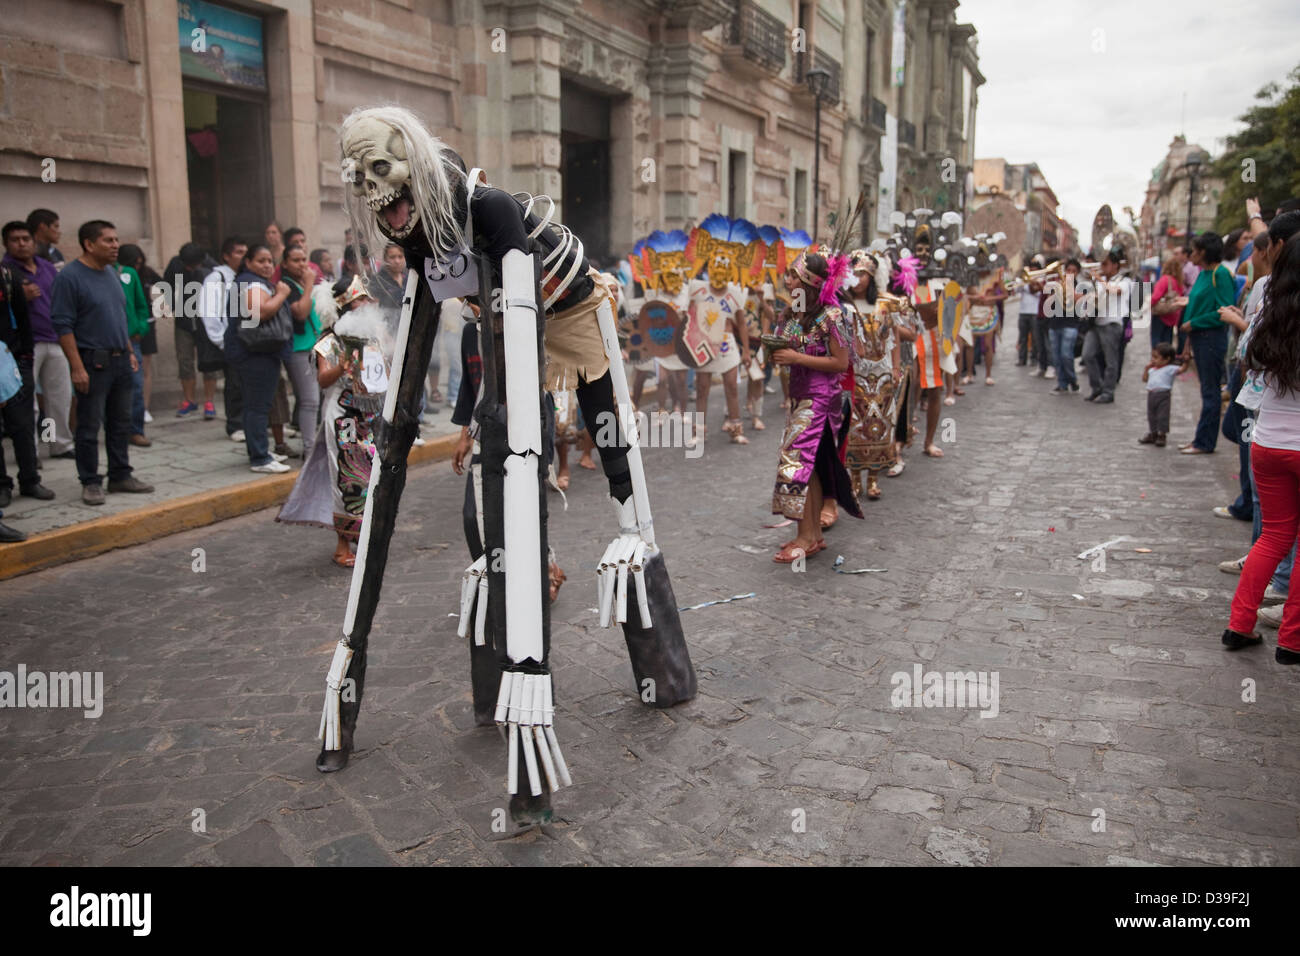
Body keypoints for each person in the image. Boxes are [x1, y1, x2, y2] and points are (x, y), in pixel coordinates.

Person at [1221, 232, 1300, 663]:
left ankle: (1239, 624)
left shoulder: (1269, 313)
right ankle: (1292, 639)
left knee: (1273, 536)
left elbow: (1246, 359)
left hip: (1268, 441)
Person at [278, 277, 385, 566]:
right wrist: (341, 367)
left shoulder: (371, 337)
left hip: (369, 417)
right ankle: (342, 547)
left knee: (371, 480)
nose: (365, 304)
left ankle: (361, 541)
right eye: (358, 300)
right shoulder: (330, 341)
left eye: (365, 298)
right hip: (344, 420)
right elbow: (323, 379)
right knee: (348, 481)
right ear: (343, 307)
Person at [50, 220, 154, 504]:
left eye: (116, 239)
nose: (115, 245)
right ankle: (90, 481)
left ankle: (120, 475)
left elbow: (118, 317)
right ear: (89, 244)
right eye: (108, 240)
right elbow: (63, 325)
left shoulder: (111, 274)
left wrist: (129, 351)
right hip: (91, 363)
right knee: (88, 426)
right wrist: (77, 367)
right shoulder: (70, 277)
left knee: (120, 423)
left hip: (121, 360)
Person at [769, 251, 863, 561]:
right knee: (812, 467)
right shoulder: (798, 313)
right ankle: (812, 535)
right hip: (799, 399)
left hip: (821, 400)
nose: (788, 280)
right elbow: (789, 344)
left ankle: (806, 536)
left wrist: (795, 358)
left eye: (794, 276)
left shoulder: (832, 316)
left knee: (798, 465)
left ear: (810, 282)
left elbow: (840, 362)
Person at [2, 221, 72, 459]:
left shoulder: (47, 267)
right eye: (15, 239)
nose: (21, 244)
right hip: (23, 346)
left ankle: (58, 444)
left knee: (58, 398)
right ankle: (29, 452)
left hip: (54, 339)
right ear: (6, 244)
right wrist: (19, 296)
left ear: (34, 241)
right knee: (27, 404)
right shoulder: (5, 272)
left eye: (26, 239)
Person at [227, 243, 293, 474]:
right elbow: (260, 312)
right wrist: (282, 294)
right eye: (261, 261)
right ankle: (260, 458)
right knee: (258, 406)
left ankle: (259, 450)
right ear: (248, 263)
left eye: (269, 261)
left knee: (255, 406)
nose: (267, 265)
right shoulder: (252, 283)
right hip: (256, 353)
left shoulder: (249, 281)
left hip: (255, 352)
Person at [0, 255, 54, 505]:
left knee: (22, 424)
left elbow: (22, 319)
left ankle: (30, 479)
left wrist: (26, 358)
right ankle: (2, 485)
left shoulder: (7, 277)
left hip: (13, 361)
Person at [1177, 232, 1235, 454]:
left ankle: (1205, 441)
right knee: (1207, 390)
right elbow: (1198, 302)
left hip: (1211, 337)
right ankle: (1201, 438)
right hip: (1199, 337)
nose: (1192, 253)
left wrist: (1194, 323)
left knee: (1210, 392)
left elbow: (1225, 310)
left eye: (1195, 250)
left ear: (1204, 252)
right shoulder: (1204, 274)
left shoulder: (1220, 274)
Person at [200, 236, 248, 442]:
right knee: (234, 383)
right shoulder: (216, 278)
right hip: (231, 340)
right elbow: (209, 311)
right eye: (238, 252)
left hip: (250, 339)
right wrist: (221, 340)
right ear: (226, 256)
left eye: (246, 252)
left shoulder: (246, 276)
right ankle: (235, 424)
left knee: (248, 383)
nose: (243, 257)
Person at [167, 241, 218, 418]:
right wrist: (171, 306)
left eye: (193, 265)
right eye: (187, 265)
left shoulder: (212, 267)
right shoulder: (175, 264)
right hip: (184, 321)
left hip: (206, 321)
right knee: (185, 361)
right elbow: (167, 287)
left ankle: (209, 401)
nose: (190, 268)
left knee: (209, 361)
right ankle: (189, 400)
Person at [281, 245, 321, 461]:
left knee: (316, 400)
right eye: (295, 260)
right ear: (285, 264)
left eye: (304, 259)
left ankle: (314, 445)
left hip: (313, 348)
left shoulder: (299, 283)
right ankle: (309, 448)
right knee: (309, 401)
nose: (302, 264)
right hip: (298, 349)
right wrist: (308, 285)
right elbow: (300, 312)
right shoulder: (286, 285)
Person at [117, 245, 161, 425]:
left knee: (145, 368)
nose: (137, 267)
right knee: (130, 370)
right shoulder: (120, 275)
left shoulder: (148, 274)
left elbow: (166, 288)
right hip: (127, 329)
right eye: (134, 264)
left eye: (139, 264)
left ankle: (144, 407)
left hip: (145, 325)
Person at [114, 245, 153, 447]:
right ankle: (114, 431)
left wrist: (141, 326)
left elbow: (140, 304)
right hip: (105, 341)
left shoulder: (128, 274)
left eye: (115, 241)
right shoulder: (92, 274)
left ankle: (136, 431)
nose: (112, 245)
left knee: (136, 386)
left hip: (132, 340)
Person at [1082, 250, 1131, 404]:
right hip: (1096, 322)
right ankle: (1097, 387)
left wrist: (1097, 279)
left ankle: (1108, 392)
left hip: (1112, 324)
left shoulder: (1124, 281)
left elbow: (1114, 291)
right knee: (1087, 355)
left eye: (1105, 264)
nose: (1102, 267)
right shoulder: (1100, 280)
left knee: (1111, 361)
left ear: (1115, 265)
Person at [1047, 259, 1085, 393]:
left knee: (1066, 355)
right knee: (1056, 357)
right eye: (1068, 271)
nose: (1070, 273)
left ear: (1078, 273)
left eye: (1073, 271)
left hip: (1070, 324)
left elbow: (1080, 304)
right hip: (1055, 324)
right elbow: (1049, 306)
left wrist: (1069, 291)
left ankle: (1072, 380)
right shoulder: (1058, 285)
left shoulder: (1081, 287)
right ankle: (1062, 384)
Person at [1138, 343, 1178, 447]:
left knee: (1162, 416)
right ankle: (1153, 433)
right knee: (1152, 415)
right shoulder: (1152, 369)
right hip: (1151, 395)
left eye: (1156, 357)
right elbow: (1144, 379)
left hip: (1163, 395)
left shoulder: (1170, 368)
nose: (1153, 360)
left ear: (1166, 359)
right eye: (1152, 357)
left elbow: (1182, 369)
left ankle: (1162, 434)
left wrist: (1186, 362)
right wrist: (1146, 369)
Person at [1148, 256, 1186, 349]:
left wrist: (1150, 305)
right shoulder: (1179, 282)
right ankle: (1167, 361)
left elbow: (1155, 297)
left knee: (1157, 342)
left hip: (1161, 315)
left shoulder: (1165, 279)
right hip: (1172, 315)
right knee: (1167, 342)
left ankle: (1157, 361)